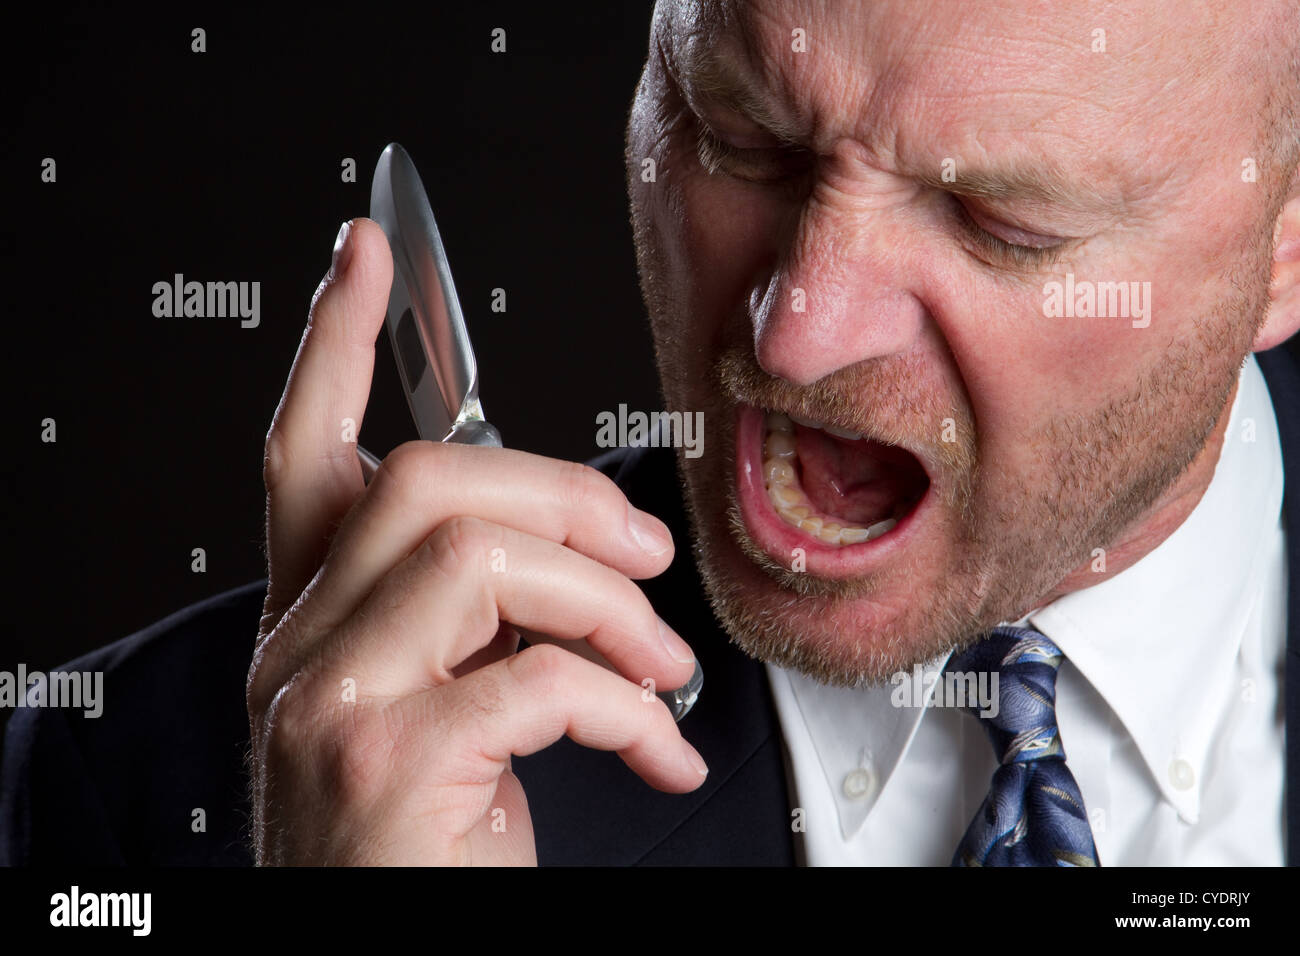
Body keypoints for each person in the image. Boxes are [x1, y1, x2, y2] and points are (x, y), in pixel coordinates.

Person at [4, 0, 1299, 866]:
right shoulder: (120, 785)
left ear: (1283, 243)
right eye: (739, 136)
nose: (796, 337)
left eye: (1007, 226)